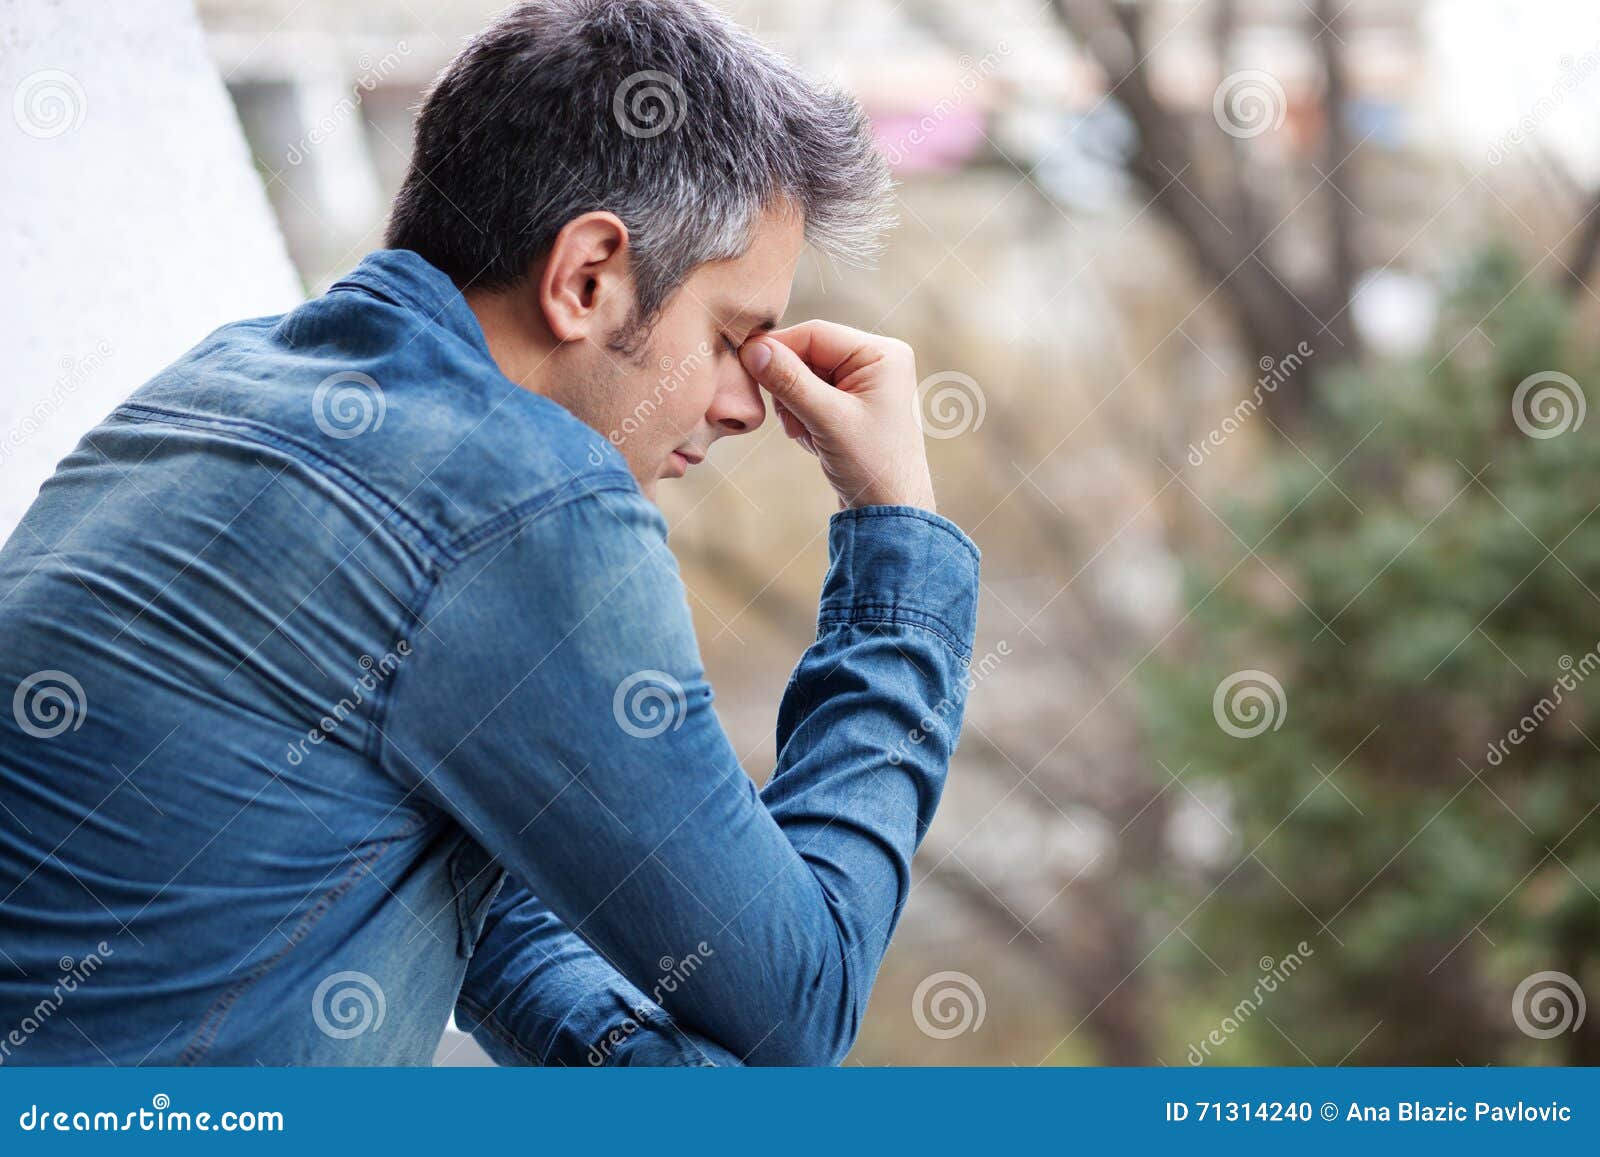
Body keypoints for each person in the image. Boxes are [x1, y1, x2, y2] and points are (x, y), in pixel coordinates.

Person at [0, 0, 979, 1066]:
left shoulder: (216, 384)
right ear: (586, 277)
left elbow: (479, 902)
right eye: (733, 336)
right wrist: (896, 527)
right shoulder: (513, 498)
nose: (749, 401)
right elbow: (802, 997)